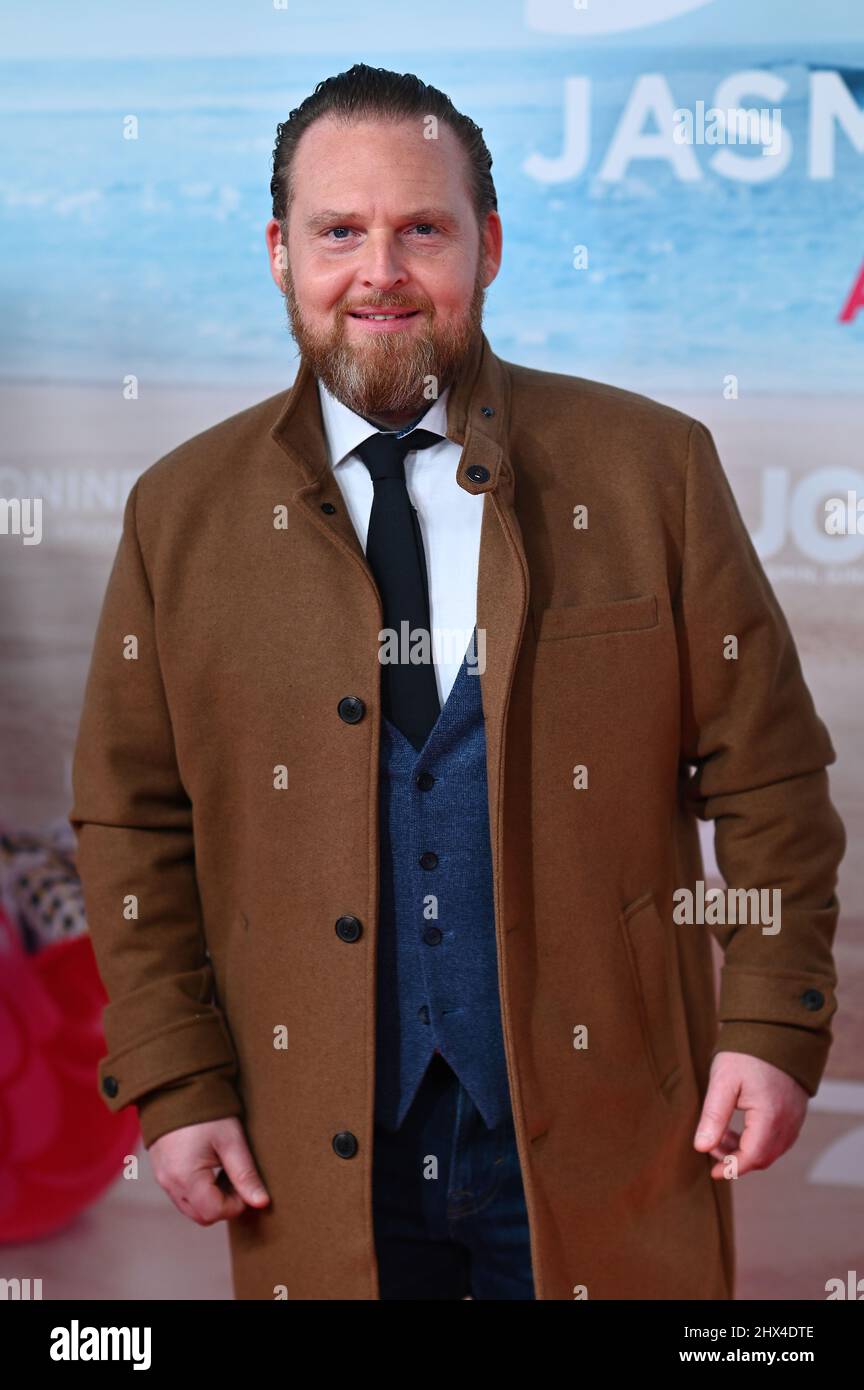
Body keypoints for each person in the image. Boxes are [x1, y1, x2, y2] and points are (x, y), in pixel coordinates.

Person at [69, 63, 846, 1301]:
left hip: (610, 1124)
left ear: (487, 245)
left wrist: (772, 1018)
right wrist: (173, 1074)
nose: (380, 270)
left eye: (421, 229)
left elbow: (769, 781)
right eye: (339, 232)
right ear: (282, 253)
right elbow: (132, 821)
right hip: (309, 1144)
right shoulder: (181, 514)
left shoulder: (654, 469)